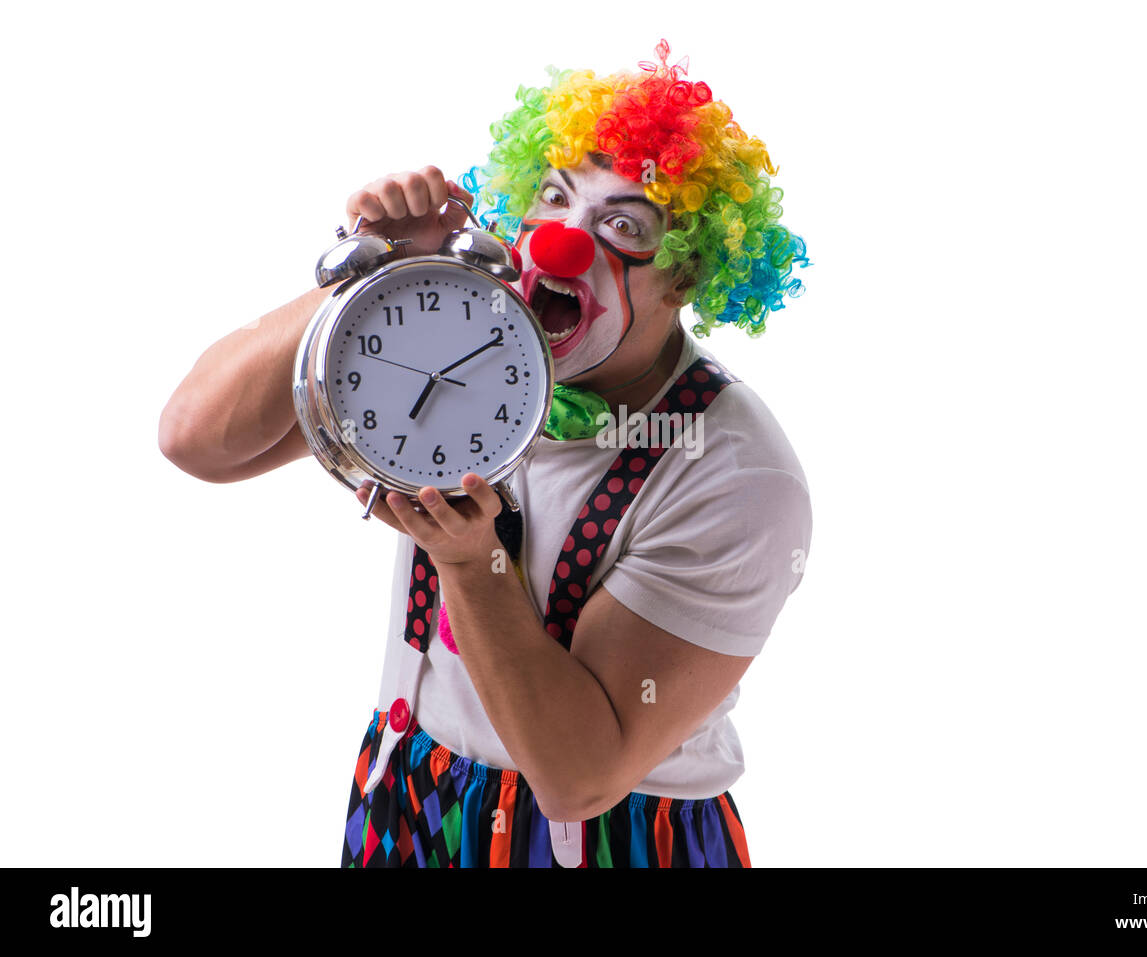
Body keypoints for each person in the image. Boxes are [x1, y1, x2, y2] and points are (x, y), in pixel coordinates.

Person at [159, 40, 811, 867]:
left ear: (686, 275)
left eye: (622, 225)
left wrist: (474, 565)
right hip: (410, 794)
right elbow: (196, 439)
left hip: (611, 839)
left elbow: (579, 775)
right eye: (553, 197)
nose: (562, 243)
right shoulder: (460, 332)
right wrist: (379, 273)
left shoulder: (737, 475)